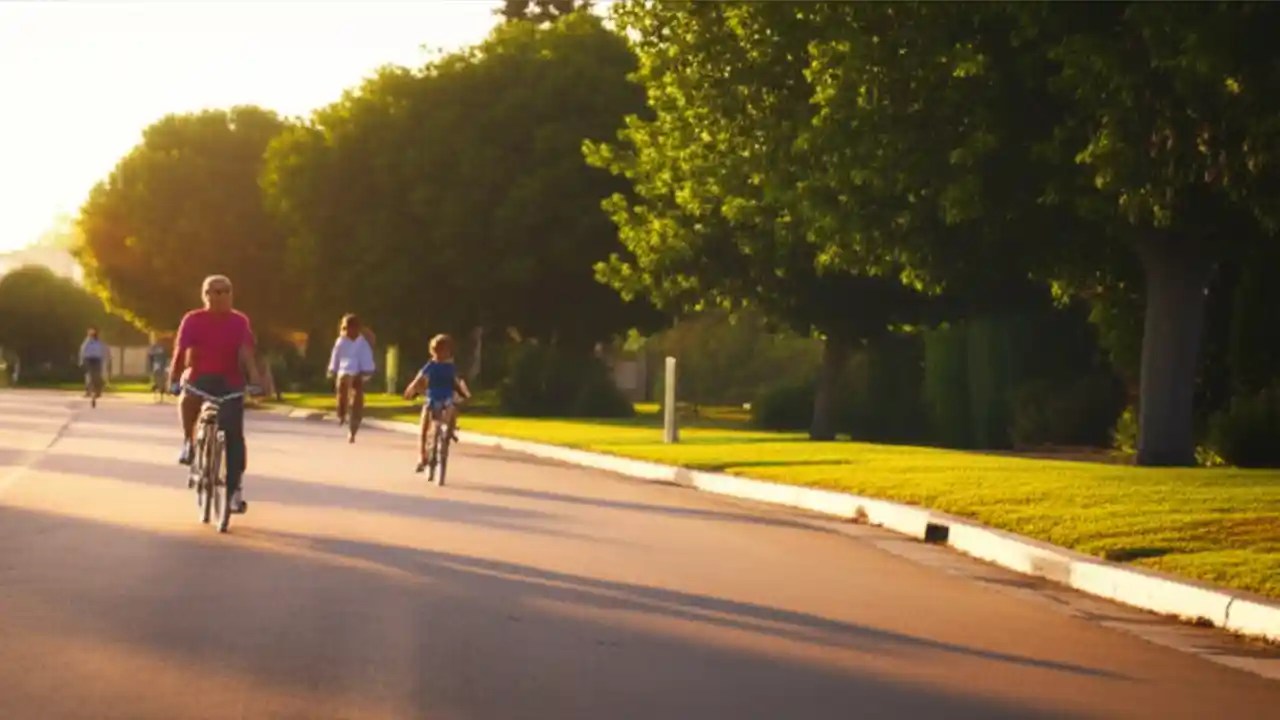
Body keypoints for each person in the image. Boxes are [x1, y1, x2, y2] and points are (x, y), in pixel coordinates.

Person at [168, 275, 263, 513]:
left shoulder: (239, 322)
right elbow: (181, 351)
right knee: (188, 397)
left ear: (231, 294)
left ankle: (234, 491)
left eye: (225, 291)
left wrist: (255, 380)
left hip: (230, 382)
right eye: (213, 291)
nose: (219, 296)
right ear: (205, 295)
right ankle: (189, 442)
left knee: (234, 434)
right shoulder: (193, 319)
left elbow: (246, 353)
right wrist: (173, 379)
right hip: (200, 377)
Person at [403, 333, 471, 472]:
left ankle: (450, 431)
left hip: (446, 397)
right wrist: (412, 387)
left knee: (452, 409)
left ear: (449, 352)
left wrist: (464, 393)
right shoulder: (431, 365)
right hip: (432, 397)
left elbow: (456, 382)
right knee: (424, 426)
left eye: (443, 352)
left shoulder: (450, 367)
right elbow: (420, 376)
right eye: (436, 352)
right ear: (432, 352)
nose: (439, 355)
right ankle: (422, 456)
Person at [327, 313, 376, 442]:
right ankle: (341, 412)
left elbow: (366, 359)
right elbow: (335, 356)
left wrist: (366, 372)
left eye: (349, 328)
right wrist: (332, 369)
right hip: (344, 370)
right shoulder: (340, 342)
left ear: (356, 329)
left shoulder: (362, 343)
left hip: (359, 371)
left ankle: (353, 429)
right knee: (342, 386)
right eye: (345, 328)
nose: (347, 332)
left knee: (357, 399)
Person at [79, 327, 107, 406]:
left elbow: (103, 350)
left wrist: (104, 359)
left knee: (97, 375)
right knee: (90, 375)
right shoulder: (87, 341)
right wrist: (81, 360)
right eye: (89, 332)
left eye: (92, 332)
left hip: (97, 359)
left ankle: (98, 391)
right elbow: (83, 350)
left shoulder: (99, 341)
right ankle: (88, 391)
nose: (91, 334)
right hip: (88, 359)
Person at [146, 332, 168, 398]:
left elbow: (164, 357)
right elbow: (150, 358)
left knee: (160, 378)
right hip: (156, 365)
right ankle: (157, 388)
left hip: (160, 365)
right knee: (156, 378)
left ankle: (161, 389)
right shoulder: (153, 348)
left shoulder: (161, 347)